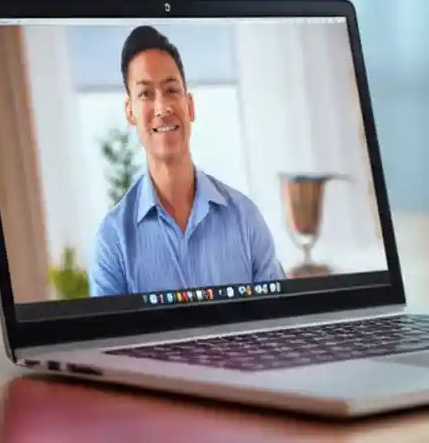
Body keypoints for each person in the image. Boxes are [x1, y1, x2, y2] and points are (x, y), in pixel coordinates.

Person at [90, 25, 284, 296]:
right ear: (130, 112)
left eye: (171, 90)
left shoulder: (245, 218)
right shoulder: (113, 240)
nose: (162, 107)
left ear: (189, 105)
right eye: (145, 94)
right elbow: (109, 338)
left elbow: (277, 321)